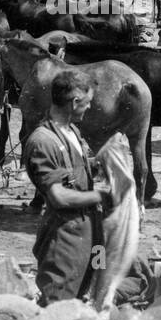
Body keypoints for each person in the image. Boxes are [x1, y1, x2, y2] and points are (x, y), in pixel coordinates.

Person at [24, 70, 112, 304]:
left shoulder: (71, 131)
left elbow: (78, 170)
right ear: (74, 102)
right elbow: (58, 197)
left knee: (93, 294)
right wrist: (102, 196)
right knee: (59, 301)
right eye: (88, 102)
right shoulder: (42, 142)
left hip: (92, 236)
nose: (90, 107)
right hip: (65, 240)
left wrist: (104, 163)